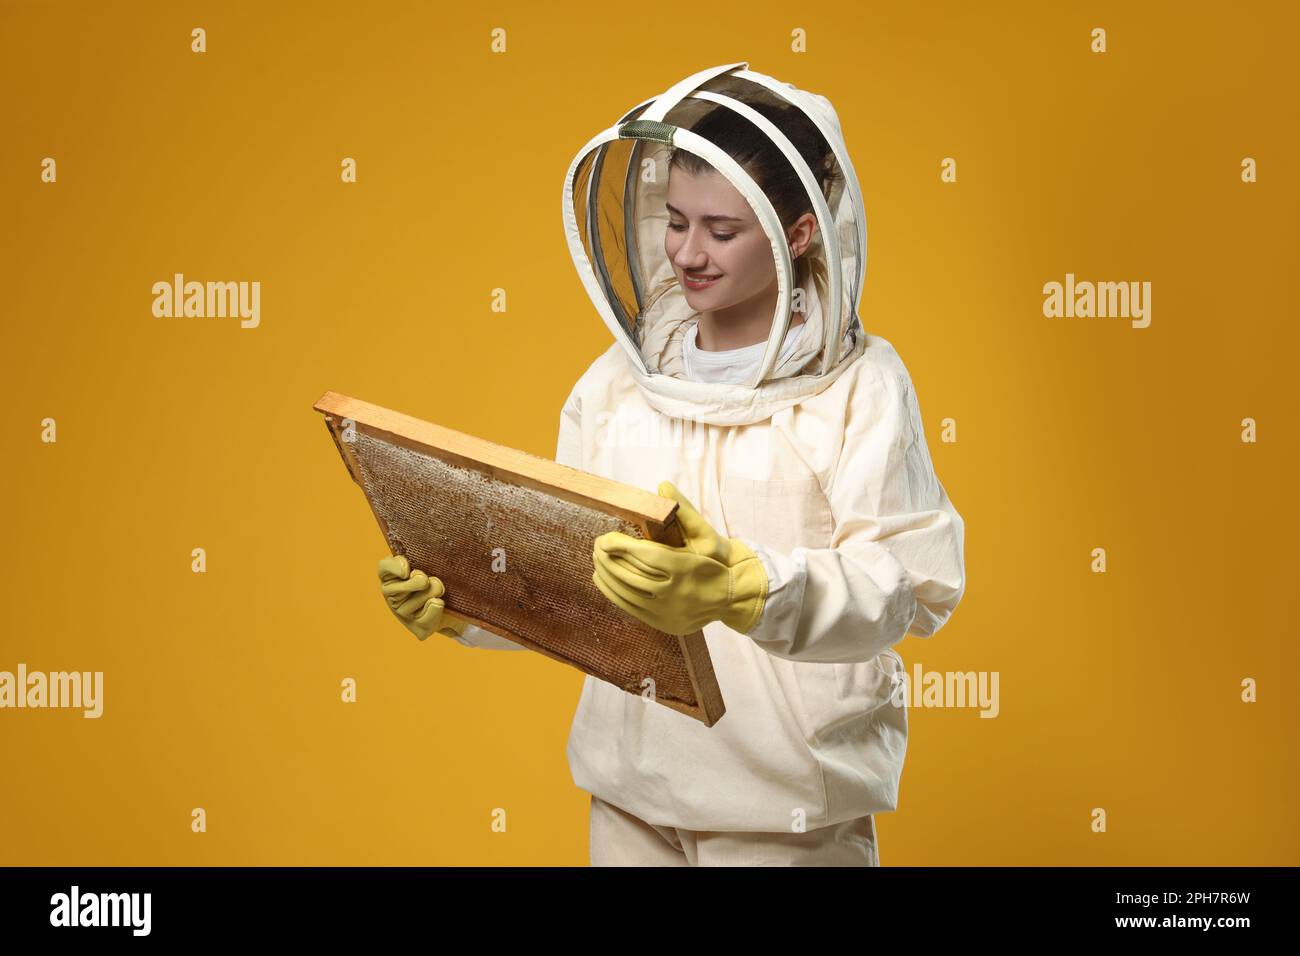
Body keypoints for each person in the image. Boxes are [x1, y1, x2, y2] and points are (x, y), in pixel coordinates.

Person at [376, 63, 966, 866]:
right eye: (676, 221)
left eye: (722, 231)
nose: (688, 252)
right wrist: (469, 603)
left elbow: (910, 585)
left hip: (787, 810)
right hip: (630, 791)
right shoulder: (617, 380)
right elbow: (577, 570)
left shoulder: (861, 386)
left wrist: (747, 589)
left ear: (798, 233)